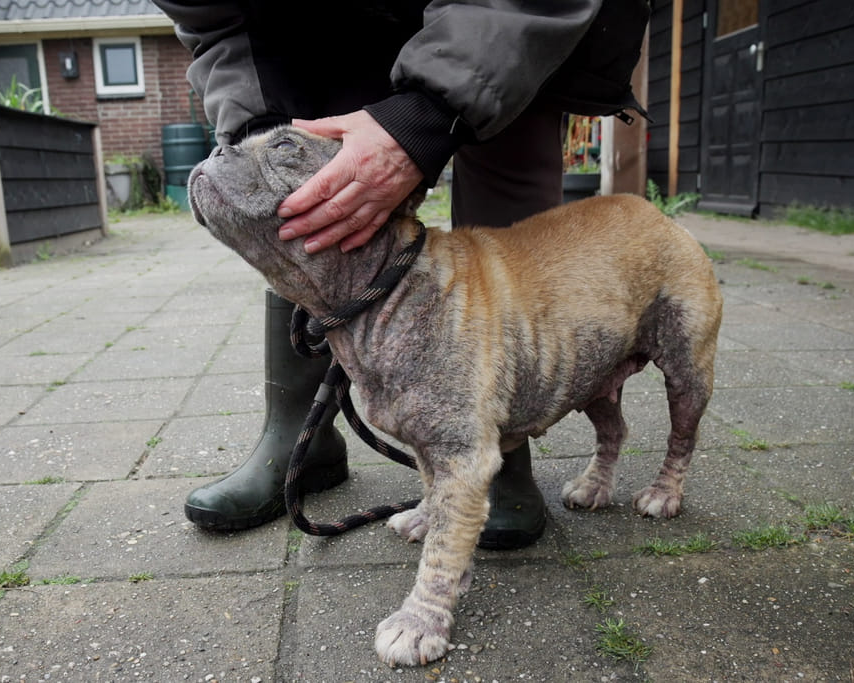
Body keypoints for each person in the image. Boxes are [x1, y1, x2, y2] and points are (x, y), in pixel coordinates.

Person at [152, 0, 649, 550]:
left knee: (509, 153)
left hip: (506, 17)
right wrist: (266, 138)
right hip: (316, 28)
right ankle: (300, 437)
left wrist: (431, 115)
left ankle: (498, 444)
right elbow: (218, 22)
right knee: (314, 205)